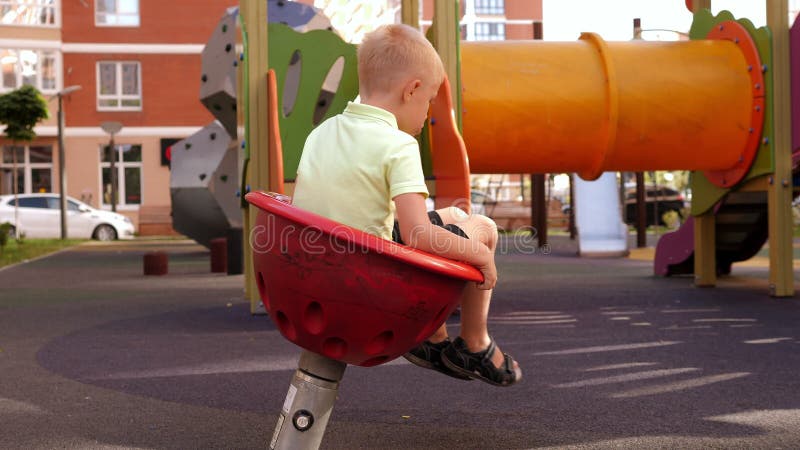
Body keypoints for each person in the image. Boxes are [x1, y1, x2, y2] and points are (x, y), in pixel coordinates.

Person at [292, 23, 521, 387]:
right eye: (428, 99)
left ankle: (435, 341)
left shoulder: (322, 132)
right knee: (483, 229)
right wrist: (481, 256)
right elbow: (417, 236)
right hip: (372, 287)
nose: (427, 112)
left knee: (454, 215)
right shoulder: (397, 145)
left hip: (315, 274)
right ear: (411, 89)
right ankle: (474, 343)